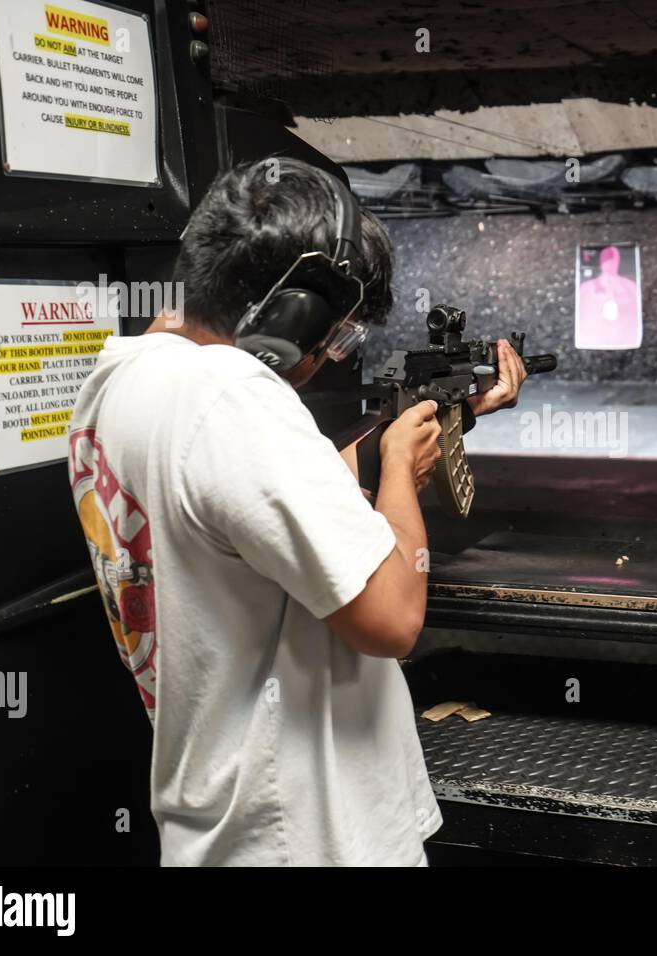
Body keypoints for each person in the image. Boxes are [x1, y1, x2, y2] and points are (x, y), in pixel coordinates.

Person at [67, 158, 529, 866]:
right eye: (334, 333)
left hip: (223, 814)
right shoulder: (232, 394)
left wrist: (443, 416)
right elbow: (392, 619)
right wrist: (402, 474)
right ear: (291, 316)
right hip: (307, 835)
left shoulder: (121, 378)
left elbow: (274, 505)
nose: (325, 354)